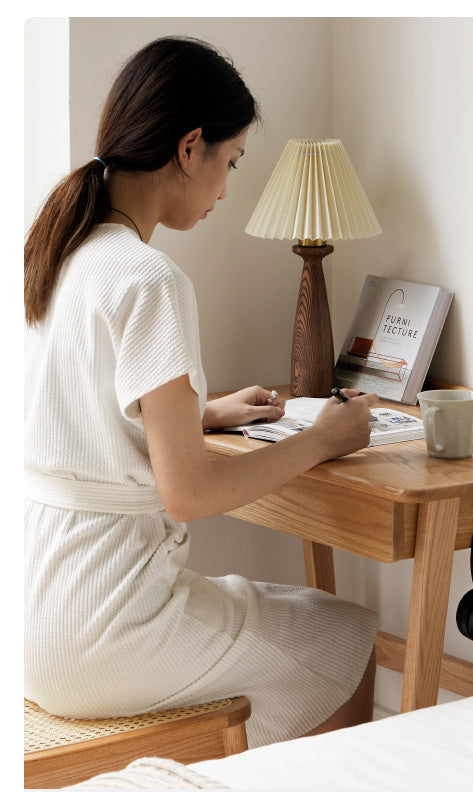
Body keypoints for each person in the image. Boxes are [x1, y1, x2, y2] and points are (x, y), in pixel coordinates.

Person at [24, 36, 379, 749]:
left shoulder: (67, 253)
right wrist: (322, 439)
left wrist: (200, 415)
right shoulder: (150, 279)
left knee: (291, 623)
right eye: (232, 161)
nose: (225, 188)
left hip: (34, 611)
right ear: (191, 149)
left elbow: (77, 413)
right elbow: (188, 495)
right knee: (347, 635)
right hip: (107, 624)